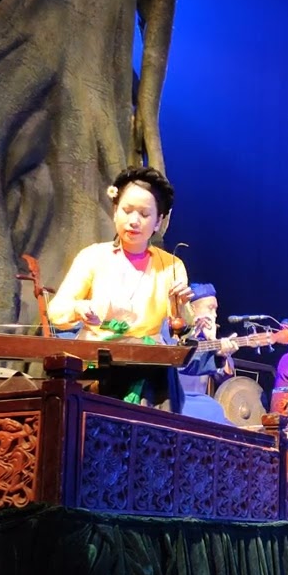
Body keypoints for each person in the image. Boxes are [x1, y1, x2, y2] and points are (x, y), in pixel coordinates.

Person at [47, 166, 213, 409]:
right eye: (126, 211)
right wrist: (79, 307)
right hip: (95, 363)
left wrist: (182, 306)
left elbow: (181, 326)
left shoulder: (170, 266)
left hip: (147, 369)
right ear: (115, 212)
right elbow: (57, 311)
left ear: (159, 221)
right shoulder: (92, 256)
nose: (133, 221)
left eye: (145, 214)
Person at [178, 282, 240, 424]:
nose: (215, 314)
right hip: (178, 401)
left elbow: (223, 379)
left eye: (216, 309)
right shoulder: (175, 335)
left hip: (201, 404)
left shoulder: (209, 338)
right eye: (210, 309)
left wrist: (213, 341)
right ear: (192, 309)